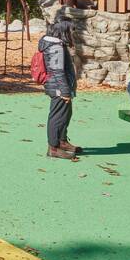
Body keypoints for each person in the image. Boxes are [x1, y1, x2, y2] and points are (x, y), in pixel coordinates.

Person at [38, 19, 81, 159]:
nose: (72, 34)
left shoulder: (57, 45)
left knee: (65, 115)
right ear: (63, 31)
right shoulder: (55, 47)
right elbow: (57, 71)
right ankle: (53, 148)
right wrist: (65, 91)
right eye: (71, 31)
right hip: (58, 87)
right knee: (57, 117)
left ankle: (62, 142)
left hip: (60, 86)